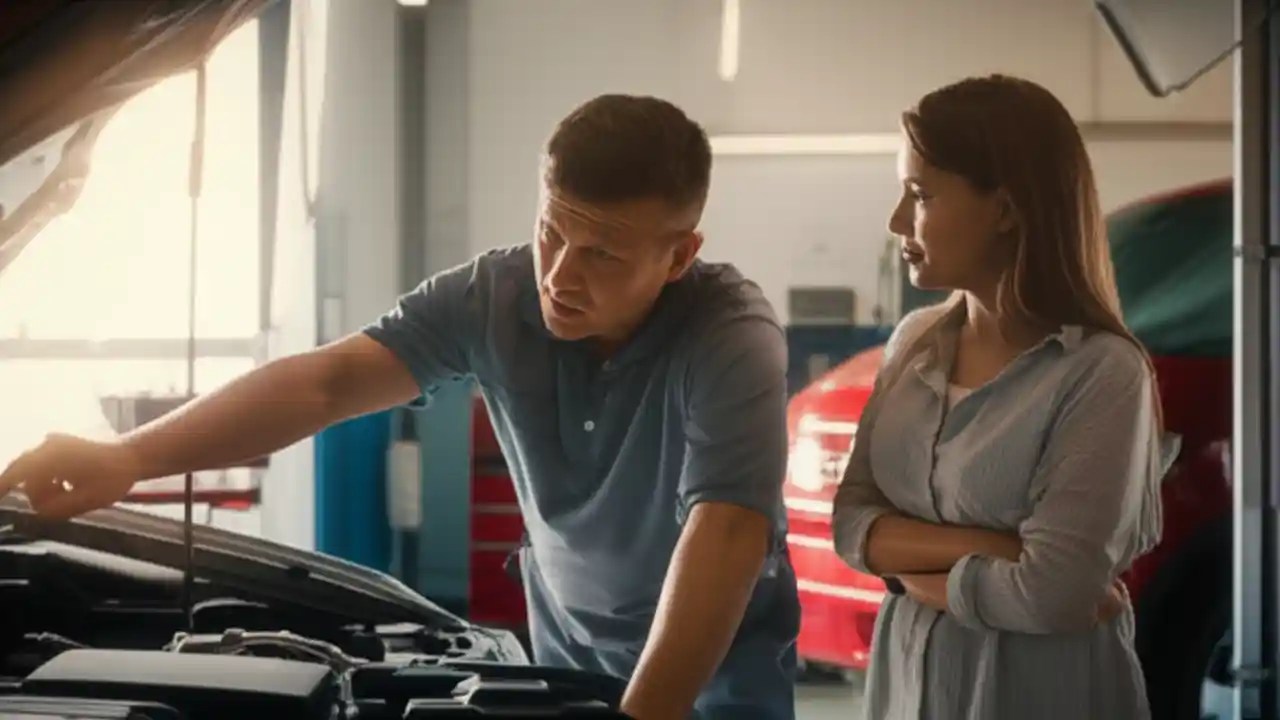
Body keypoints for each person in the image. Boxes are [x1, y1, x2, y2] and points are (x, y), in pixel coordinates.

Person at [0, 94, 800, 720]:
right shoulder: (493, 296)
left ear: (679, 256)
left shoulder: (730, 336)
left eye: (601, 253)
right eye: (551, 232)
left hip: (714, 676)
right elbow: (328, 381)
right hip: (567, 659)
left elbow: (727, 531)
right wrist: (130, 457)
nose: (559, 274)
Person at [832, 75, 1179, 719]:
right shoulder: (913, 343)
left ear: (1006, 209)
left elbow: (1053, 597)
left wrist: (905, 571)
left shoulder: (1102, 373)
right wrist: (999, 550)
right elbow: (851, 525)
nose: (897, 221)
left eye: (920, 195)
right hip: (908, 691)